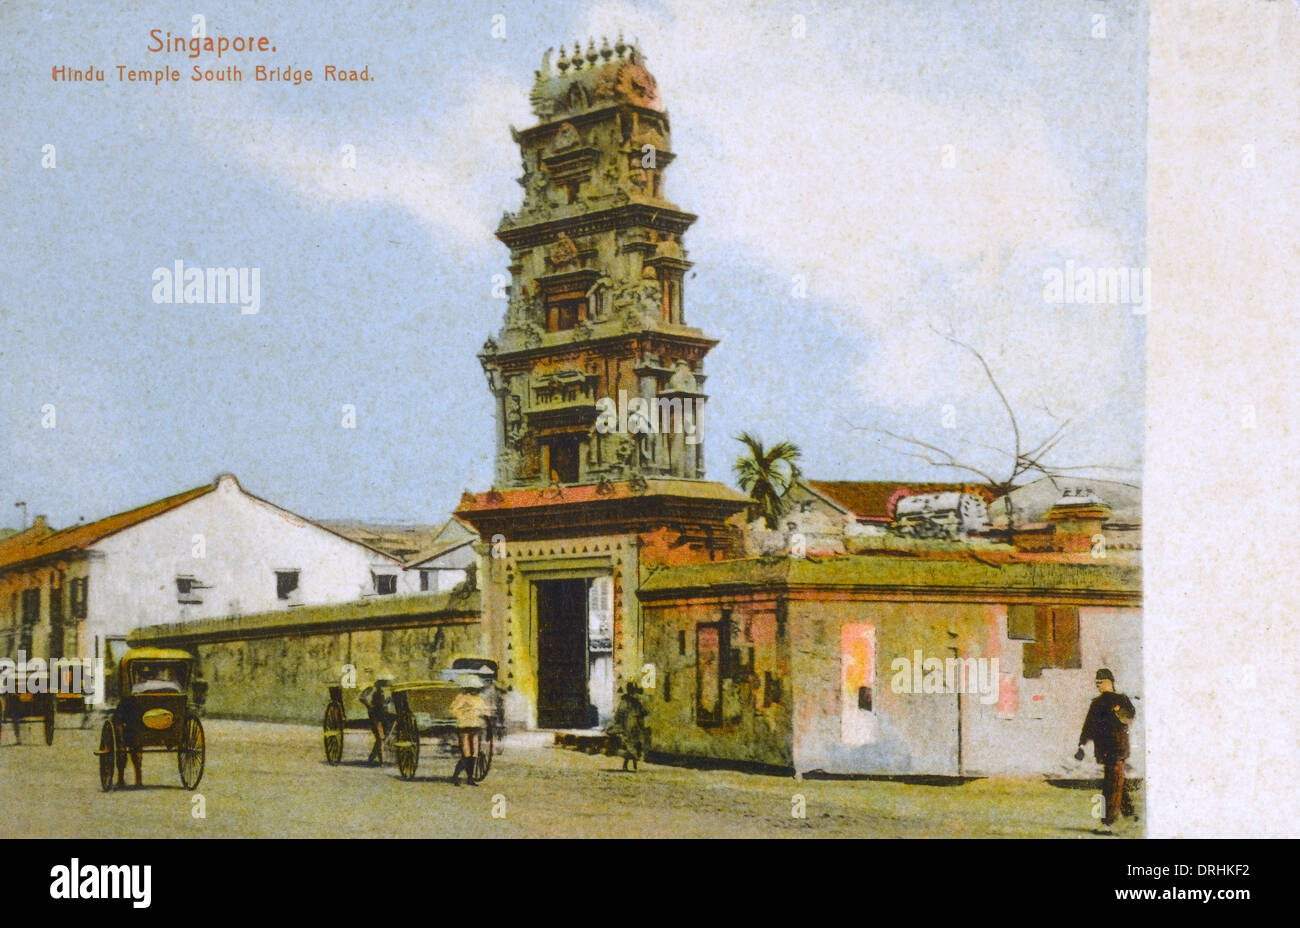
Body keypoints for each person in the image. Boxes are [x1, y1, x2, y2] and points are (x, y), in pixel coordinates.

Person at [1075, 668, 1137, 827]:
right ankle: (1129, 813)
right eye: (1096, 683)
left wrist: (1117, 710)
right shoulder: (1096, 703)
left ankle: (1107, 821)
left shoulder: (1121, 699)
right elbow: (1088, 726)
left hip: (1117, 747)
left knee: (1112, 783)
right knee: (1115, 781)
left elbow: (1129, 716)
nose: (1098, 685)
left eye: (1101, 682)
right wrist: (1081, 745)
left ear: (1110, 682)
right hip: (1104, 749)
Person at [449, 682, 488, 786]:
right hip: (464, 726)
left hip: (475, 727)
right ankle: (455, 776)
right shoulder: (461, 698)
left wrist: (483, 716)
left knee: (474, 753)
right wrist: (463, 712)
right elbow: (453, 710)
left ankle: (470, 778)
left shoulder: (479, 699)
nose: (475, 691)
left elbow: (485, 711)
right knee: (466, 753)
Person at [607, 683, 649, 772]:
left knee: (633, 745)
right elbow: (643, 712)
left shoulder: (631, 701)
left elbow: (643, 712)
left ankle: (632, 765)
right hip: (631, 726)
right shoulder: (630, 701)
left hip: (633, 726)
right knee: (632, 745)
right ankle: (629, 765)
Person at [362, 679, 389, 766]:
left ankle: (375, 759)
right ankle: (375, 759)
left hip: (378, 717)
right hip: (376, 718)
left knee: (379, 739)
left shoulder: (378, 693)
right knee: (379, 739)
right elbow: (378, 705)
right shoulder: (377, 694)